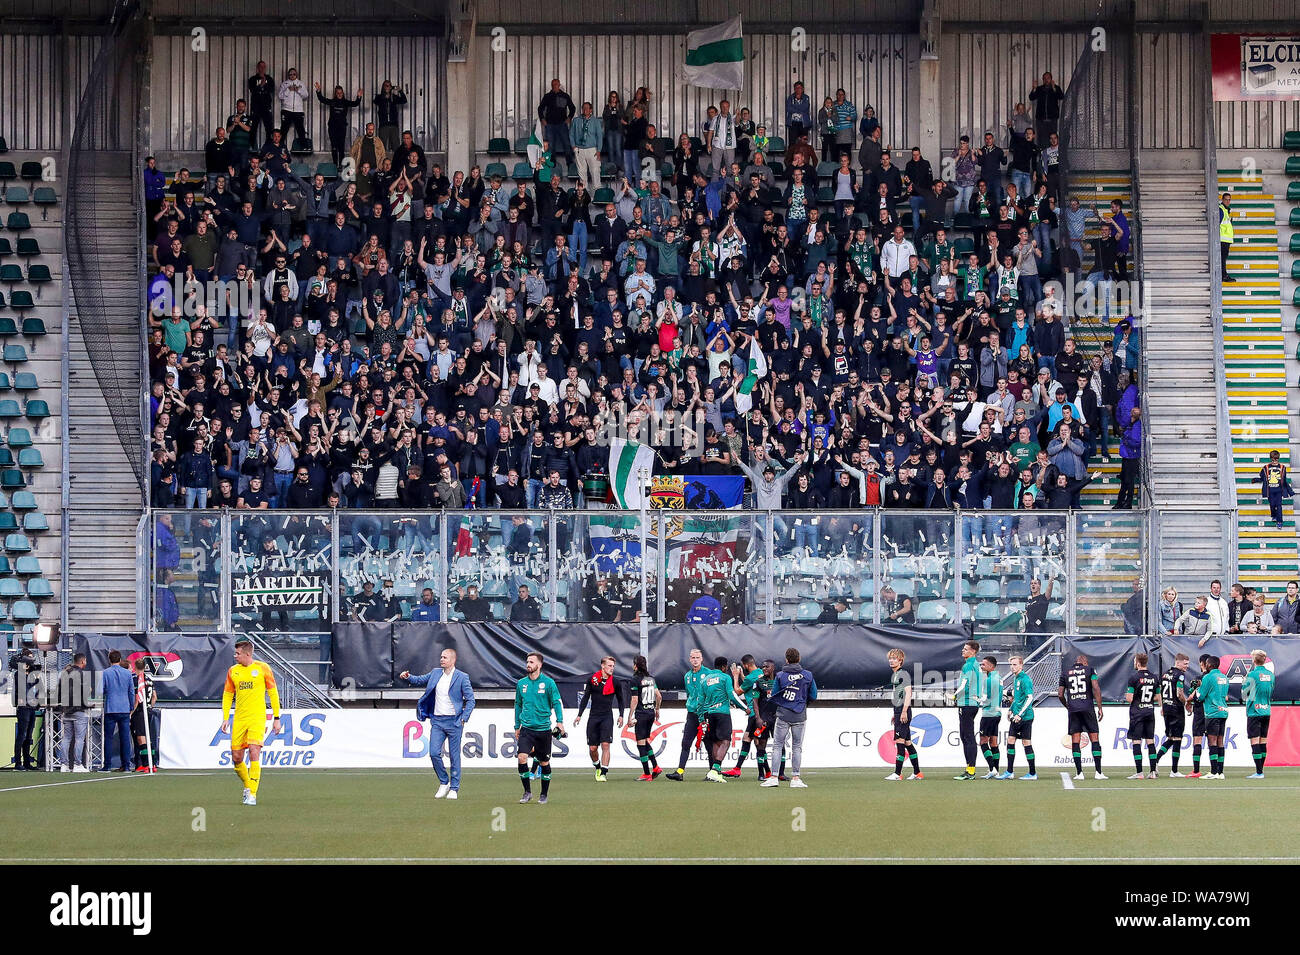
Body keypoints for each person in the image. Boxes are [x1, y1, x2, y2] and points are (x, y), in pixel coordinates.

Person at [401, 647, 475, 799]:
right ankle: (444, 782)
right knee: (434, 753)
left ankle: (454, 788)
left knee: (455, 756)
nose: (441, 659)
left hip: (454, 722)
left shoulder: (462, 677)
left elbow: (471, 700)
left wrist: (463, 718)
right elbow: (419, 680)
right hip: (437, 721)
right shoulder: (435, 673)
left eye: (445, 657)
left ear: (453, 660)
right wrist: (408, 676)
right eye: (441, 657)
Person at [220, 638, 282, 806]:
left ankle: (252, 794)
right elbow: (227, 695)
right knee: (236, 757)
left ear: (247, 654)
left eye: (238, 653)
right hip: (239, 718)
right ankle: (248, 786)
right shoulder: (233, 671)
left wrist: (277, 718)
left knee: (254, 751)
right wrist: (226, 717)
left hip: (257, 717)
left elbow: (273, 694)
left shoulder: (263, 668)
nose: (235, 656)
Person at [761, 647, 817, 789]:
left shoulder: (780, 675)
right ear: (799, 659)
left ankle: (773, 777)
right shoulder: (808, 675)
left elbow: (774, 695)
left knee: (777, 746)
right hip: (799, 714)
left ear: (786, 659)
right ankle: (796, 778)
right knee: (797, 747)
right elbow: (814, 695)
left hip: (783, 714)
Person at [514, 651, 564, 804]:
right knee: (522, 757)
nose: (528, 664)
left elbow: (556, 702)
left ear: (539, 665)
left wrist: (559, 721)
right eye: (527, 662)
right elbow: (518, 704)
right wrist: (517, 725)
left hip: (543, 730)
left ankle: (544, 794)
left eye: (531, 662)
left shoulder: (549, 683)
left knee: (544, 762)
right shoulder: (521, 683)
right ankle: (527, 792)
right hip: (526, 729)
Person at [574, 655, 626, 781]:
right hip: (593, 717)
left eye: (613, 666)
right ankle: (597, 766)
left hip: (607, 717)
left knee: (606, 745)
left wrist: (621, 715)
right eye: (609, 665)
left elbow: (620, 699)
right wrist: (579, 715)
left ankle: (603, 772)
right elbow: (586, 697)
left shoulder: (615, 682)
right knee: (593, 748)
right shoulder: (592, 679)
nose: (612, 668)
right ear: (602, 666)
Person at [724, 655, 774, 779]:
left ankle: (746, 770)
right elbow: (749, 681)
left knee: (757, 743)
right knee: (750, 740)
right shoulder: (759, 673)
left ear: (745, 665)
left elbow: (737, 692)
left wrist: (735, 677)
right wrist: (742, 676)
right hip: (764, 713)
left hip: (754, 714)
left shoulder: (750, 678)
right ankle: (765, 771)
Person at [1058, 652, 1106, 780]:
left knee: (1075, 740)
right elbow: (1096, 687)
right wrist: (1100, 707)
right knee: (1094, 738)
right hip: (1087, 708)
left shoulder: (1065, 672)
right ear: (1085, 662)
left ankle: (1079, 773)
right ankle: (1098, 772)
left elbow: (1060, 694)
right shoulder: (1090, 670)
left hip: (1073, 709)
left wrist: (1067, 705)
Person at [699, 656, 745, 782]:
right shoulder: (725, 677)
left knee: (715, 742)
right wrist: (745, 708)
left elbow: (700, 701)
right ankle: (715, 769)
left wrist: (701, 717)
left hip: (709, 714)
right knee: (725, 741)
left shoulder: (705, 680)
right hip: (722, 713)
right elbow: (732, 696)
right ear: (724, 667)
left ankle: (716, 773)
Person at [665, 647, 706, 782]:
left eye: (697, 658)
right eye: (693, 658)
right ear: (689, 659)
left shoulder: (709, 674)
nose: (695, 660)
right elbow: (689, 694)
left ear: (702, 659)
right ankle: (680, 771)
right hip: (692, 713)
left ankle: (713, 771)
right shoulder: (687, 676)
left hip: (705, 713)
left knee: (709, 743)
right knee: (686, 742)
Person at [885, 648, 922, 781]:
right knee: (907, 743)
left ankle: (897, 773)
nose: (891, 660)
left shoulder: (903, 674)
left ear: (900, 660)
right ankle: (917, 773)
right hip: (898, 709)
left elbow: (908, 692)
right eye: (890, 658)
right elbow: (897, 693)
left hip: (903, 709)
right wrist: (896, 712)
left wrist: (904, 711)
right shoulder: (895, 674)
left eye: (894, 658)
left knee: (900, 742)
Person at [1151, 652, 1190, 777]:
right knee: (1177, 739)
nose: (1187, 666)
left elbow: (1161, 692)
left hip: (1167, 709)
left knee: (1171, 738)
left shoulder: (1166, 674)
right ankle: (1174, 770)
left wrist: (1162, 706)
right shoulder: (1180, 675)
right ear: (1178, 662)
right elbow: (1179, 693)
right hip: (1176, 709)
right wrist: (1187, 703)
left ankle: (1156, 760)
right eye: (1185, 664)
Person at [1124, 652, 1160, 780]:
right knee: (1150, 741)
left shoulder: (1133, 678)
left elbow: (1129, 698)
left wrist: (1128, 696)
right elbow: (1157, 696)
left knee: (1136, 741)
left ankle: (1139, 772)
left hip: (1137, 713)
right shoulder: (1154, 677)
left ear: (1138, 663)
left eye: (1134, 661)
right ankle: (1153, 772)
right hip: (1150, 711)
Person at [949, 640, 981, 780]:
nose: (963, 651)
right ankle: (969, 768)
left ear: (973, 651)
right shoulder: (975, 665)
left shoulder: (968, 665)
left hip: (967, 703)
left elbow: (965, 683)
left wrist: (955, 695)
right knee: (965, 736)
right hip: (971, 703)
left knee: (967, 737)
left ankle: (971, 771)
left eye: (966, 649)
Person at [1193, 654, 1229, 780]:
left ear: (1209, 665)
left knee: (1212, 742)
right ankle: (1220, 772)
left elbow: (1200, 697)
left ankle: (1213, 772)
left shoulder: (1208, 677)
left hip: (1212, 712)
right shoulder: (1224, 677)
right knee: (1220, 741)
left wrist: (1197, 690)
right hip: (1223, 711)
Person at [628, 655, 663, 781]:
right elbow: (658, 696)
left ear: (635, 665)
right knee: (645, 741)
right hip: (650, 713)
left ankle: (647, 773)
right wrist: (657, 709)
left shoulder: (635, 679)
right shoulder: (651, 679)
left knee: (640, 744)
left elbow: (634, 699)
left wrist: (630, 716)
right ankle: (655, 767)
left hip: (641, 714)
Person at [57, 654, 92, 772]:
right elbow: (85, 692)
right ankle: (77, 764)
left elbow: (58, 692)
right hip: (78, 710)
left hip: (66, 710)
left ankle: (64, 765)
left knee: (66, 738)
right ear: (82, 661)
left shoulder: (64, 674)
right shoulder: (81, 674)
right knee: (79, 739)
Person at [1242, 650, 1274, 779]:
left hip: (1254, 711)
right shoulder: (1271, 675)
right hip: (1266, 710)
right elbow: (1271, 691)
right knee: (1263, 742)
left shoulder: (1252, 674)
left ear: (1254, 660)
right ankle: (1261, 770)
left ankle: (1259, 772)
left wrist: (1244, 683)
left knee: (1255, 741)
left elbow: (1245, 695)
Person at [101, 650, 135, 772]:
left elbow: (102, 690)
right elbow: (131, 691)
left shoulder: (106, 673)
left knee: (108, 738)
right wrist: (131, 706)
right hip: (124, 708)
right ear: (120, 660)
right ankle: (126, 765)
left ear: (109, 660)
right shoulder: (127, 673)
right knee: (125, 738)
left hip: (111, 708)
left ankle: (107, 766)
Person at [1004, 654, 1036, 780]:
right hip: (1017, 715)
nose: (1012, 667)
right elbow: (1017, 698)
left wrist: (1019, 714)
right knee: (1011, 741)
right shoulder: (1016, 678)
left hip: (1025, 717)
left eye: (1015, 664)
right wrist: (1011, 709)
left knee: (1026, 743)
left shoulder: (1025, 679)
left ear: (1021, 665)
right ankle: (1010, 772)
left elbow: (1029, 698)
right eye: (1011, 665)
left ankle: (1032, 773)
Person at [8, 642, 40, 771]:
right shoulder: (19, 674)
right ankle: (18, 762)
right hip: (23, 708)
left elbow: (36, 688)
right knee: (21, 735)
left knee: (28, 736)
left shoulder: (31, 675)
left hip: (31, 707)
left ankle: (27, 761)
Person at [130, 659, 159, 773]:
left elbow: (137, 698)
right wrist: (150, 707)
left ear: (135, 667)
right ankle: (153, 763)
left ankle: (147, 764)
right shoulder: (150, 679)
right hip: (148, 711)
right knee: (147, 737)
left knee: (141, 738)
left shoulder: (137, 679)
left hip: (140, 712)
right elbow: (154, 697)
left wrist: (131, 712)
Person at [977, 656, 1003, 778]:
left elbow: (985, 698)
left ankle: (992, 768)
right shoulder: (999, 678)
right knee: (993, 742)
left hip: (988, 714)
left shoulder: (988, 680)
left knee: (983, 741)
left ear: (991, 666)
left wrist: (975, 699)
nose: (981, 666)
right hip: (997, 713)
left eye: (984, 664)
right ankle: (996, 771)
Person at [1185, 655, 1211, 778]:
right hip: (1212, 712)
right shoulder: (1215, 678)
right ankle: (1216, 770)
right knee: (1214, 741)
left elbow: (1192, 695)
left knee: (1197, 740)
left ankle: (1196, 770)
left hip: (1200, 711)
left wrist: (1188, 702)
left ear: (1202, 663)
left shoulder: (1198, 679)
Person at [1255, 449, 1291, 530]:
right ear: (1271, 459)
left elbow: (1284, 480)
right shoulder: (1266, 467)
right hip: (1270, 491)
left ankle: (1279, 522)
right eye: (1273, 459)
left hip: (1278, 491)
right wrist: (1256, 480)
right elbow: (1262, 477)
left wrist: (1289, 491)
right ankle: (1273, 515)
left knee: (1278, 506)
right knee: (1272, 505)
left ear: (1278, 459)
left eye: (1276, 459)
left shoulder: (1282, 467)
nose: (1274, 461)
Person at [1218, 191, 1234, 282]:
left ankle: (1224, 275)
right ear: (1222, 200)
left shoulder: (1227, 210)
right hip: (1222, 239)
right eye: (1226, 200)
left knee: (1223, 258)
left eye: (1229, 200)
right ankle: (1223, 275)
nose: (1228, 202)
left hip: (1226, 239)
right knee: (1222, 259)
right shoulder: (1221, 210)